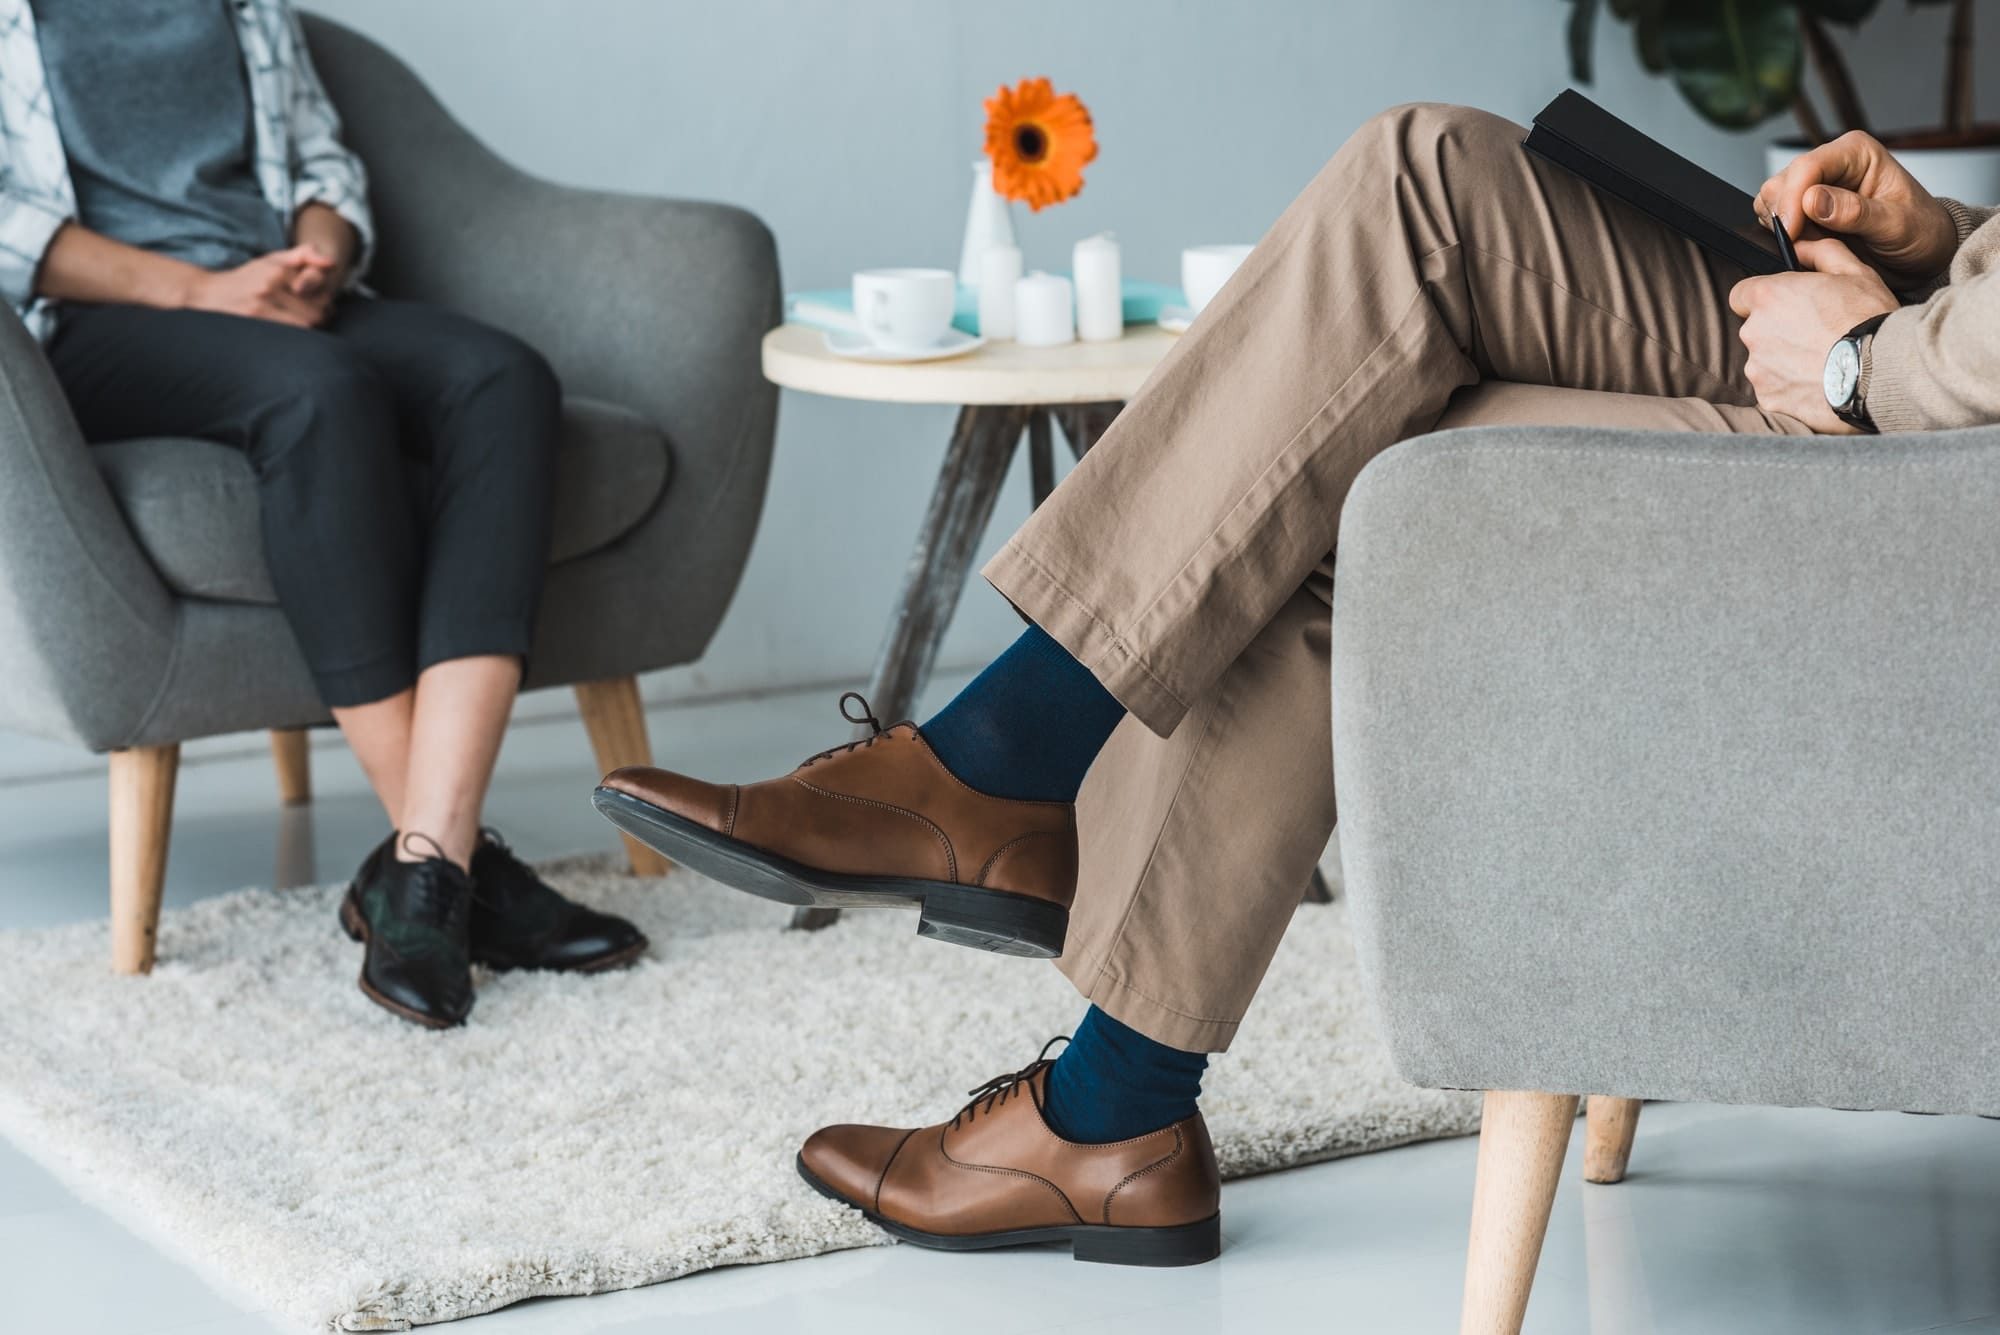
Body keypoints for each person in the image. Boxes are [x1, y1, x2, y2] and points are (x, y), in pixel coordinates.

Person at [598, 103, 1997, 1264]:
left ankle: (1062, 961)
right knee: (1422, 179)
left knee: (1355, 446)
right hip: (1951, 337)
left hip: (1940, 435)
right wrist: (1941, 241)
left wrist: (1865, 363)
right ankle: (1064, 974)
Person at [11, 0, 646, 1028]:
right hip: (103, 326)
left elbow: (320, 160)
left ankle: (425, 862)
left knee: (502, 379)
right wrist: (200, 292)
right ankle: (464, 875)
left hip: (282, 299)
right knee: (323, 395)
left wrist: (317, 257)